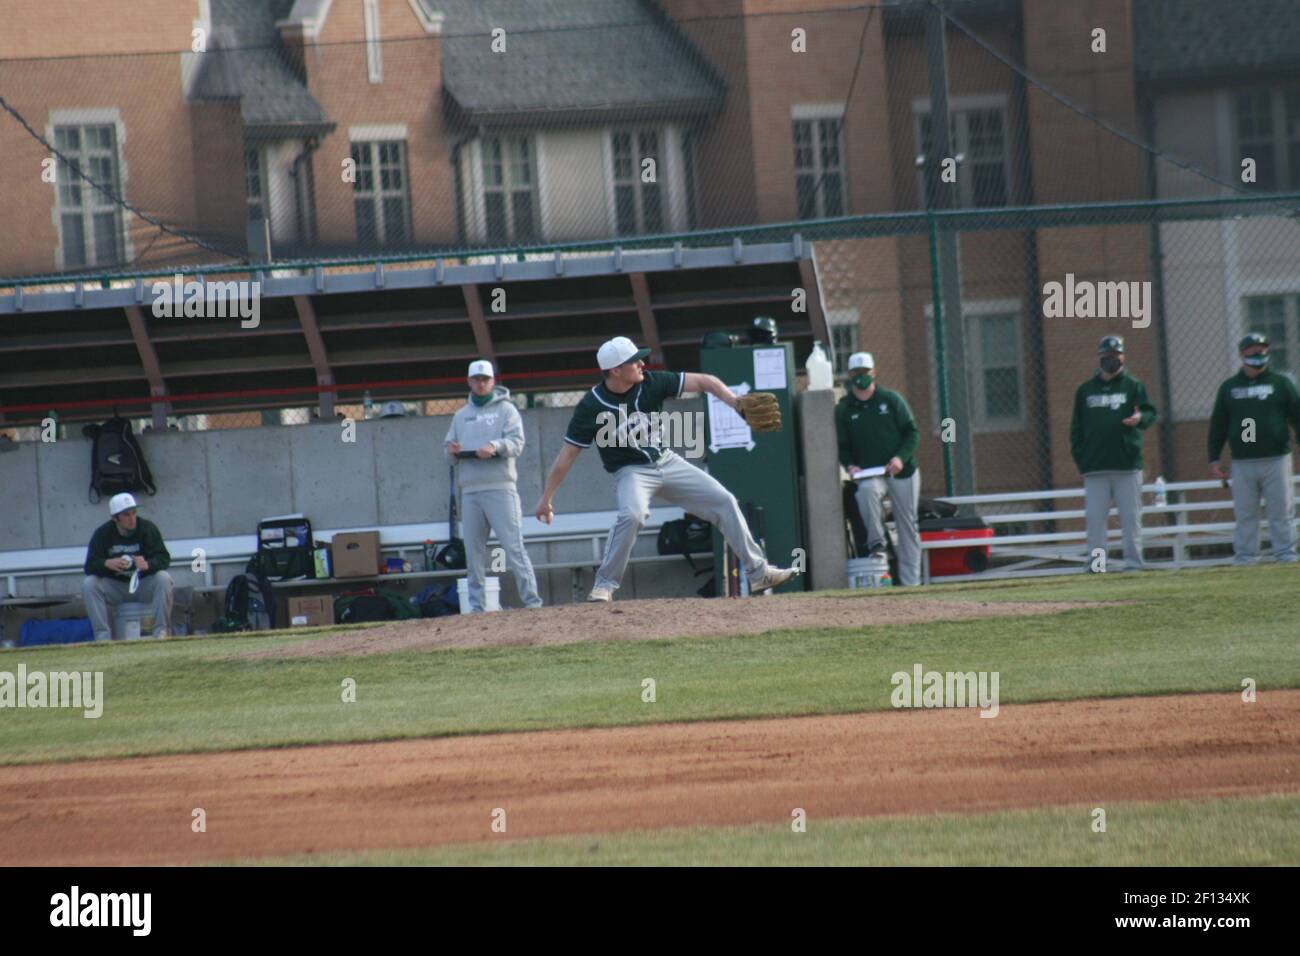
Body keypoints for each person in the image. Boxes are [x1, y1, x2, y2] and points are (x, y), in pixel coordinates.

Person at [533, 336, 799, 602]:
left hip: (666, 461)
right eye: (634, 361)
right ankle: (604, 585)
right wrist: (546, 499)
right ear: (615, 370)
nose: (641, 363)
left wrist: (733, 401)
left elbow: (704, 381)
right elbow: (568, 454)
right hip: (631, 471)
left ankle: (759, 573)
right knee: (633, 514)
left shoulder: (652, 382)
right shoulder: (591, 406)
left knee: (725, 501)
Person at [445, 359, 543, 611]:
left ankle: (533, 603)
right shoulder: (460, 415)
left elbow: (517, 443)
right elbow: (448, 453)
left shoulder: (507, 410)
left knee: (513, 547)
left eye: (485, 379)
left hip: (501, 488)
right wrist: (452, 450)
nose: (481, 383)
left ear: (492, 381)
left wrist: (495, 446)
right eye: (476, 379)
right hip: (470, 491)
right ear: (469, 381)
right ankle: (477, 608)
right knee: (473, 553)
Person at [1208, 332, 1300, 564]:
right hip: (1243, 460)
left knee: (1281, 510)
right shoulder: (1229, 388)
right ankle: (1246, 556)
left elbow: (1297, 415)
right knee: (1246, 512)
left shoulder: (1281, 384)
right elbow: (1218, 424)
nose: (1259, 354)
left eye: (1262, 350)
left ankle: (1285, 553)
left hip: (1276, 458)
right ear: (1242, 354)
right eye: (1253, 350)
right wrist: (1214, 457)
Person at [1070, 335, 1158, 572]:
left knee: (1130, 519)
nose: (1112, 359)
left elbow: (1150, 413)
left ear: (1123, 357)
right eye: (1108, 355)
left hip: (1127, 465)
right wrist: (1083, 461)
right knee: (1096, 521)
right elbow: (1076, 430)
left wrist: (1140, 418)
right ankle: (1098, 564)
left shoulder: (1133, 386)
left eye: (1116, 354)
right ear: (1100, 357)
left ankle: (1133, 564)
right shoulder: (1085, 391)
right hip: (1095, 468)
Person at [835, 351, 923, 586]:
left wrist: (900, 459)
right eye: (856, 372)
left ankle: (911, 582)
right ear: (850, 375)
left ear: (873, 372)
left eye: (865, 372)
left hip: (901, 471)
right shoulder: (844, 408)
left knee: (907, 525)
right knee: (865, 492)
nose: (861, 376)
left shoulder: (891, 399)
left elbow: (912, 432)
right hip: (871, 472)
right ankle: (877, 544)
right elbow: (843, 446)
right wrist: (850, 465)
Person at [82, 492, 173, 640]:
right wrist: (106, 563)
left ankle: (161, 633)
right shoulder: (103, 533)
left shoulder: (147, 528)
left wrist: (148, 565)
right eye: (126, 515)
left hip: (142, 584)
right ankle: (102, 637)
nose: (132, 519)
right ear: (115, 518)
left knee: (164, 578)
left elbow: (164, 558)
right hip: (116, 587)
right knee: (89, 584)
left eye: (134, 513)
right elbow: (89, 566)